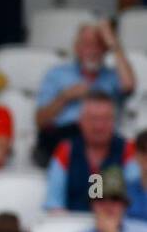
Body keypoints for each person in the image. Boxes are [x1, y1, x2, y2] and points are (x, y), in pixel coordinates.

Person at [34, 21, 135, 162]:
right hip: (63, 138)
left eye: (98, 45)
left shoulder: (112, 76)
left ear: (105, 50)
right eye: (87, 45)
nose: (93, 50)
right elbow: (40, 121)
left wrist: (113, 42)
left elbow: (129, 85)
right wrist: (64, 97)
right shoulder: (56, 74)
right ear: (77, 48)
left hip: (101, 139)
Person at [44, 93, 136, 213]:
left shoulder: (128, 150)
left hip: (118, 226)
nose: (99, 126)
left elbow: (134, 200)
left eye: (105, 119)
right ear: (80, 121)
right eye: (93, 119)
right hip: (72, 225)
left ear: (114, 121)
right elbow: (54, 204)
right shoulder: (66, 150)